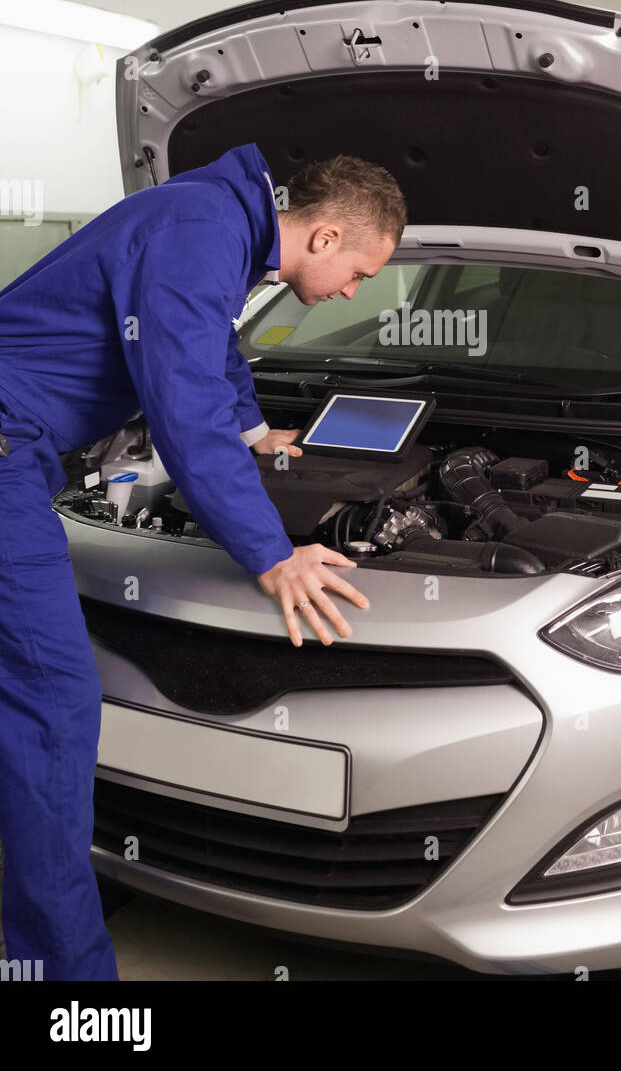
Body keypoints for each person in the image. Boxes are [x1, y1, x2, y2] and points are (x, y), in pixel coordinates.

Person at [0, 142, 407, 980]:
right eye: (362, 275)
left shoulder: (220, 222)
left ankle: (48, 884)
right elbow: (182, 409)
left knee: (30, 706)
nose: (354, 294)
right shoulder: (201, 229)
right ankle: (61, 975)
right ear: (325, 238)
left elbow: (210, 348)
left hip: (20, 449)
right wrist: (272, 556)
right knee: (55, 705)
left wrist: (259, 436)